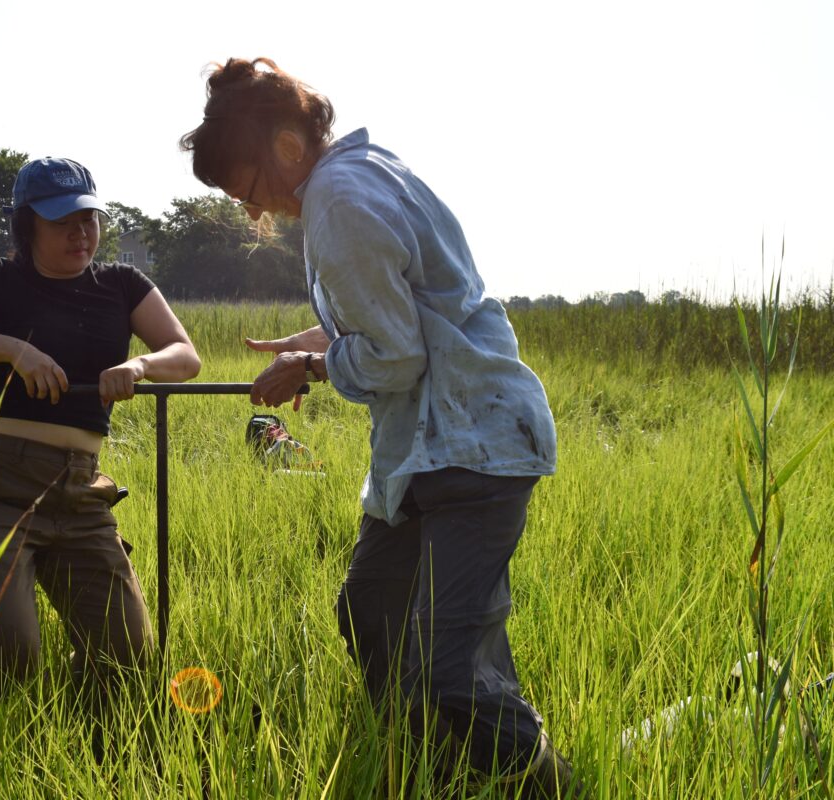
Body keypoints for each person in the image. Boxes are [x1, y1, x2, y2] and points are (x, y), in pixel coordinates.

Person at [180, 59, 579, 797]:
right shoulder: (359, 173)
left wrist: (316, 367)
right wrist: (313, 347)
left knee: (452, 667)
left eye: (248, 187)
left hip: (472, 447)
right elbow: (394, 310)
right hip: (430, 447)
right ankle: (428, 768)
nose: (251, 209)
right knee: (371, 610)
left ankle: (546, 785)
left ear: (287, 147)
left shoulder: (338, 202)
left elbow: (395, 355)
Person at [0, 156, 201, 694]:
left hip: (81, 492)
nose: (80, 233)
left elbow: (184, 355)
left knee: (128, 656)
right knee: (10, 651)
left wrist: (138, 366)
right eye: (62, 222)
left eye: (88, 218)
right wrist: (11, 349)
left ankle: (90, 741)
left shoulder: (123, 285)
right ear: (27, 224)